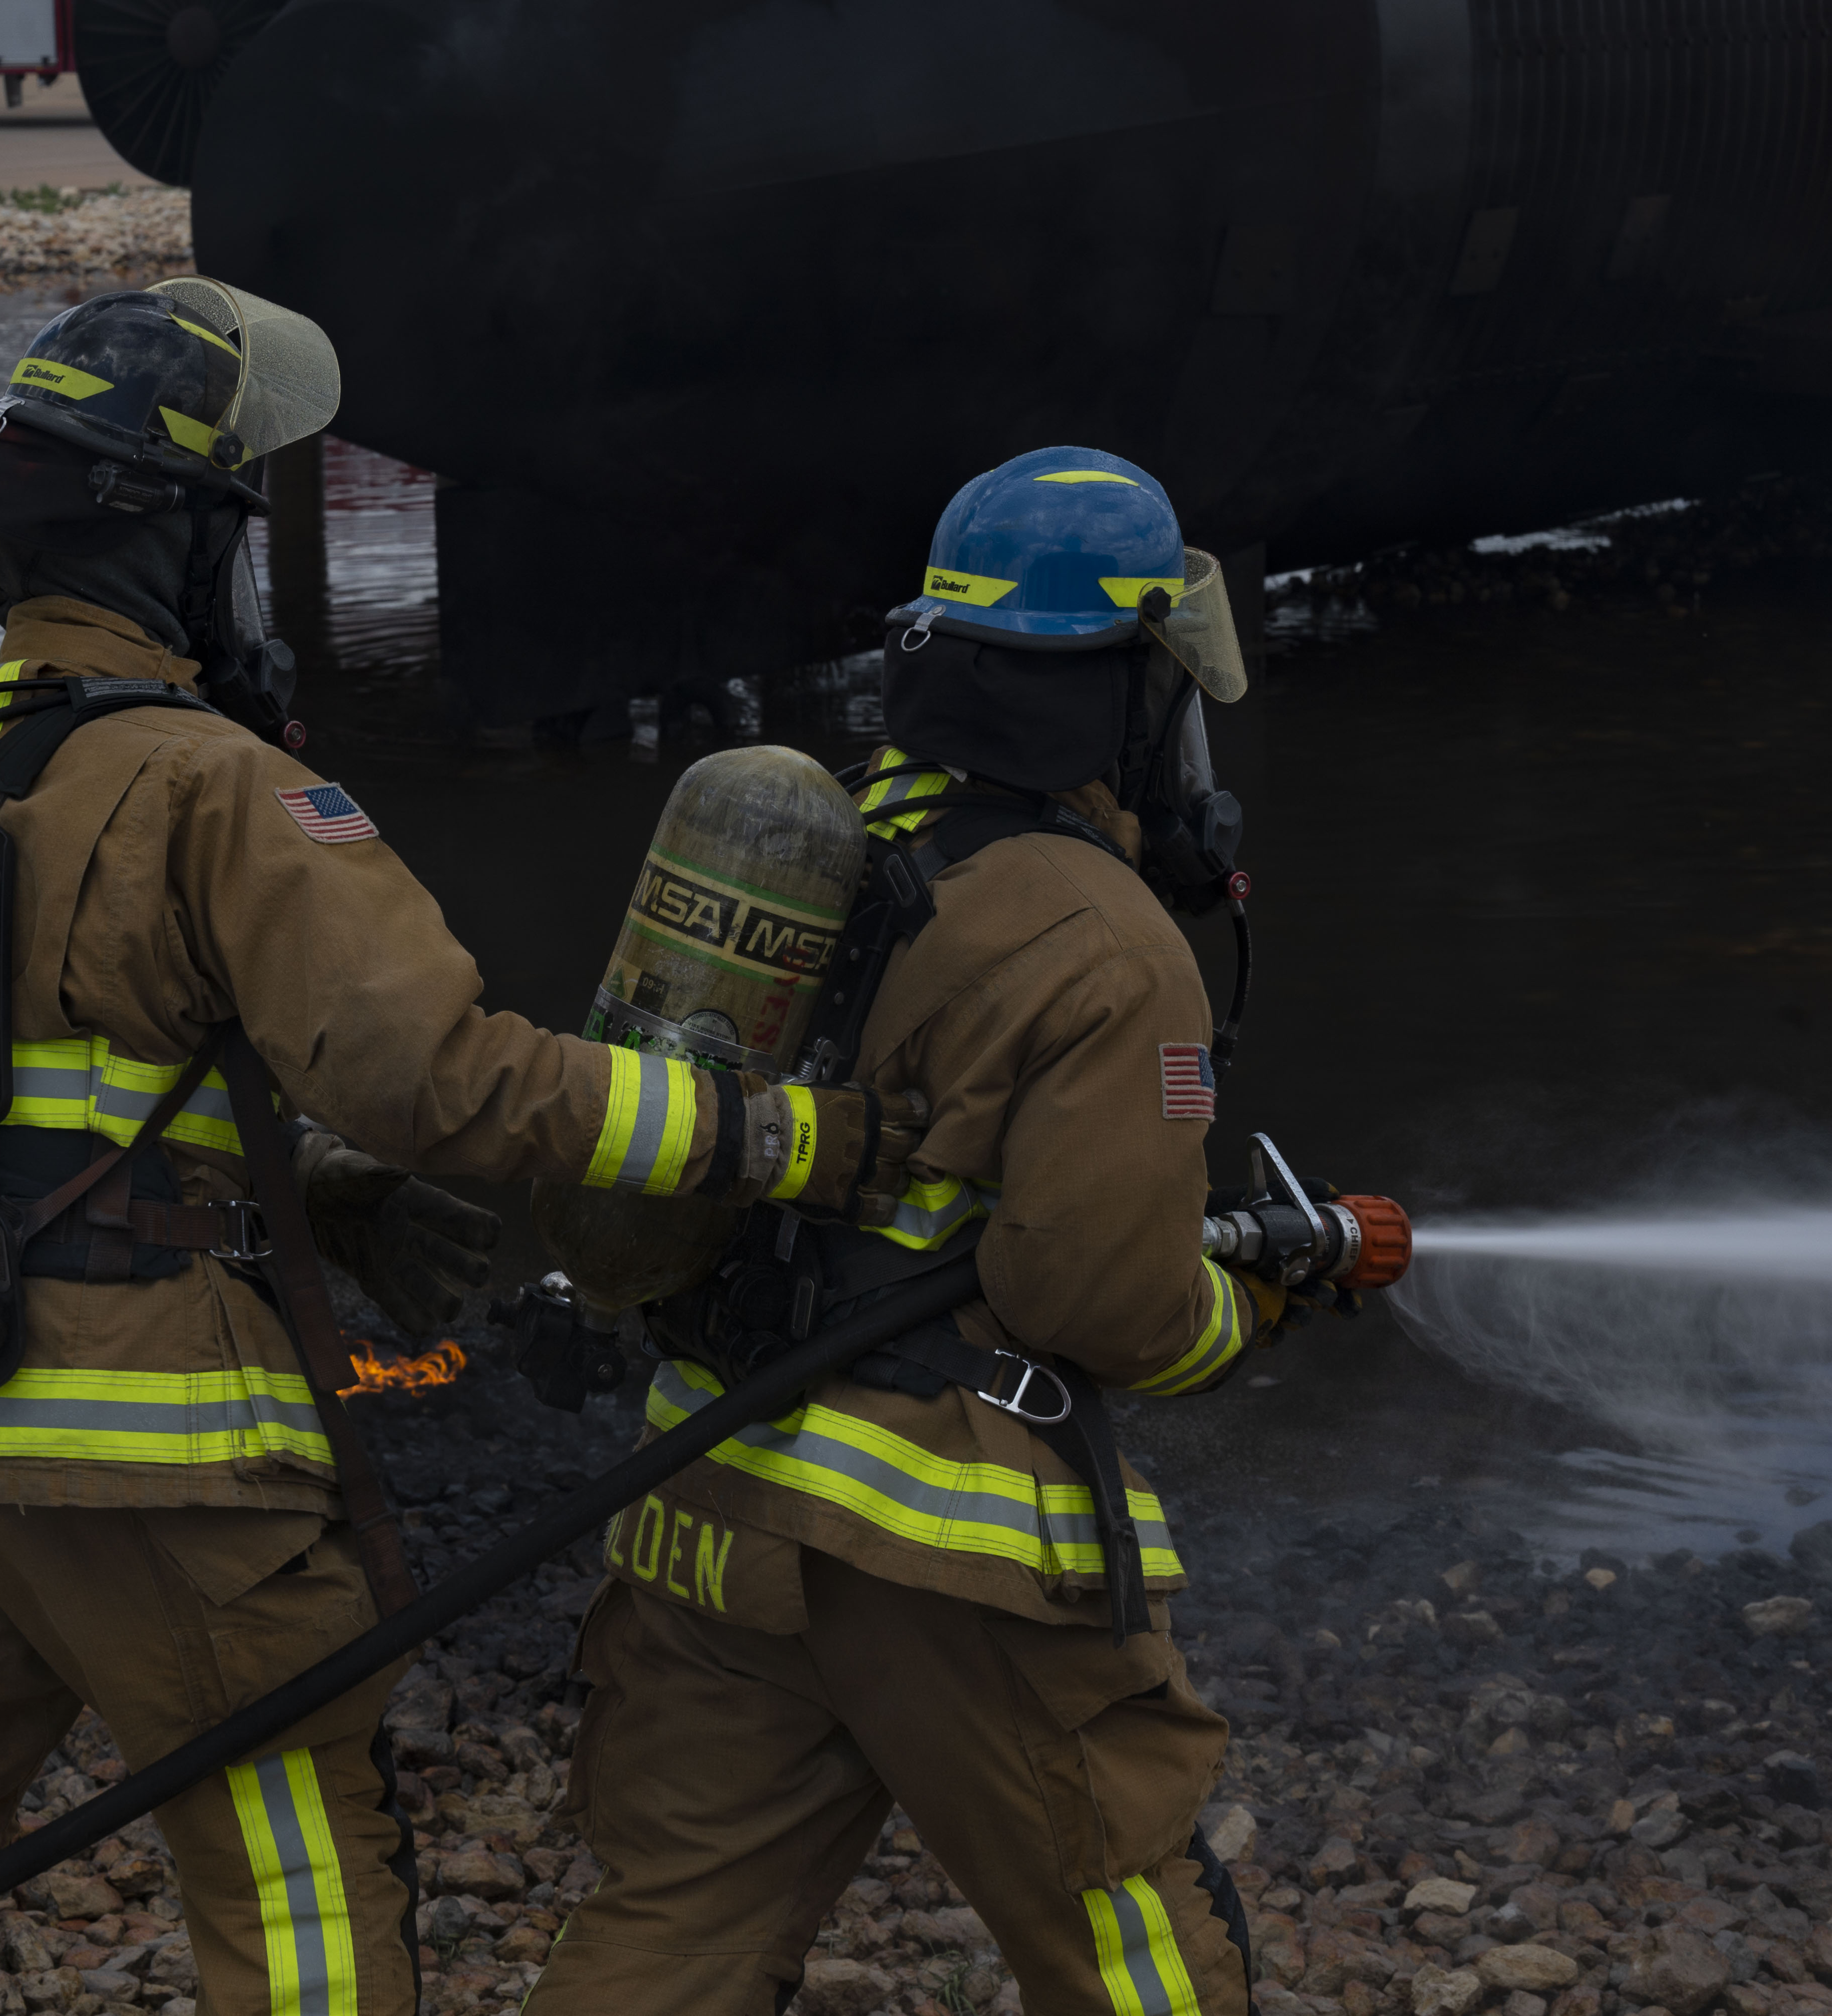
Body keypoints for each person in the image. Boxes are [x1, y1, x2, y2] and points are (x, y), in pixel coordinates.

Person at [0, 279, 921, 2016]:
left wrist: (316, 1197)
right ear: (178, 554)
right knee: (293, 1863)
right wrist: (762, 1133)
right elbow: (446, 1078)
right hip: (156, 1468)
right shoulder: (213, 786)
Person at [530, 446, 1292, 2016]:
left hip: (712, 1491)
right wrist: (1248, 1307)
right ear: (1129, 697)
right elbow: (1096, 1293)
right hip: (937, 1550)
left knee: (677, 1930)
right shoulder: (1108, 941)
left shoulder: (834, 848)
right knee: (1125, 1921)